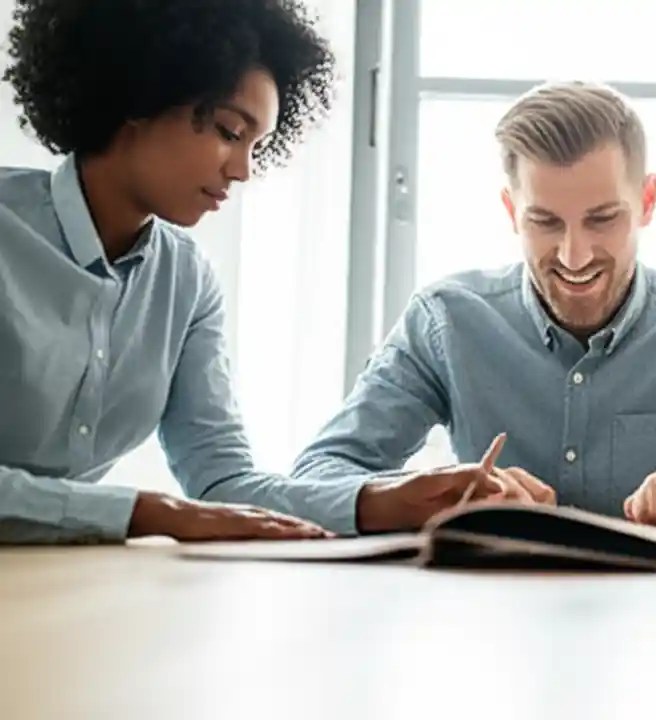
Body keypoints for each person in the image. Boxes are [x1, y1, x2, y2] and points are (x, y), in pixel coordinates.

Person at [0, 0, 509, 544]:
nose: (242, 170)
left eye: (256, 147)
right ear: (141, 96)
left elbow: (222, 481)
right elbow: (174, 511)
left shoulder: (186, 281)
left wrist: (382, 501)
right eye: (228, 131)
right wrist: (147, 513)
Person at [294, 81, 656, 546]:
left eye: (603, 219)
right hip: (485, 626)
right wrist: (427, 498)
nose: (574, 256)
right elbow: (317, 478)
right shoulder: (446, 322)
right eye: (545, 222)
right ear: (512, 211)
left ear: (648, 202)